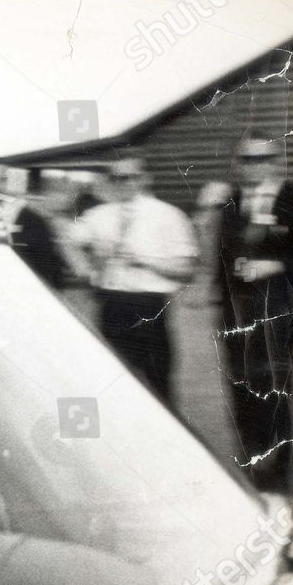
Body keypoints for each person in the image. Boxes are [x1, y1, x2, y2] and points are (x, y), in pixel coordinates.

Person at [216, 136, 293, 496]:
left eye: (262, 159)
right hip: (236, 317)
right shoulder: (230, 201)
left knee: (275, 389)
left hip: (279, 314)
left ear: (276, 161)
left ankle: (286, 469)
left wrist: (275, 264)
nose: (254, 166)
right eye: (246, 159)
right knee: (242, 392)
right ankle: (255, 465)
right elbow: (220, 262)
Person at [67, 157, 198, 406]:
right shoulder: (98, 215)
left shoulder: (168, 215)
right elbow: (67, 240)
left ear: (145, 178)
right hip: (112, 306)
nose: (123, 183)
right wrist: (85, 272)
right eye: (116, 178)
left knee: (158, 383)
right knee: (115, 384)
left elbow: (187, 270)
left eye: (129, 176)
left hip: (149, 307)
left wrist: (145, 261)